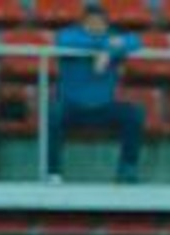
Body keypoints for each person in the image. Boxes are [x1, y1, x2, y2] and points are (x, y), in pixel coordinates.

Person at [47, 1, 144, 184]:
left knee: (134, 114)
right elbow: (63, 40)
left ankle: (127, 169)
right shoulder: (71, 36)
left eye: (100, 22)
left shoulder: (113, 38)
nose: (96, 25)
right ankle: (53, 172)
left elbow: (137, 42)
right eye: (91, 21)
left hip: (103, 107)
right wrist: (107, 47)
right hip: (71, 106)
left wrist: (108, 51)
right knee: (53, 114)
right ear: (83, 23)